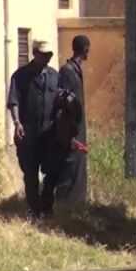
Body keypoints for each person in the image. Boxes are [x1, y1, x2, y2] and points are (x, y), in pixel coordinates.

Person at [7, 39, 61, 217]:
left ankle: (47, 206)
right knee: (30, 174)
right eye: (44, 54)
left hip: (49, 134)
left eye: (49, 55)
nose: (47, 58)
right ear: (34, 53)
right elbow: (13, 101)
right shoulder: (20, 76)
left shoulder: (55, 76)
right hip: (28, 134)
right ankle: (34, 209)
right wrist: (17, 123)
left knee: (52, 172)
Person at [55, 35, 91, 201]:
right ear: (85, 49)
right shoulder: (67, 71)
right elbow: (62, 101)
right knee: (69, 172)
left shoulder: (75, 70)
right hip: (71, 131)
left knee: (77, 169)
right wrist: (69, 134)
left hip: (78, 130)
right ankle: (65, 208)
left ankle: (77, 207)